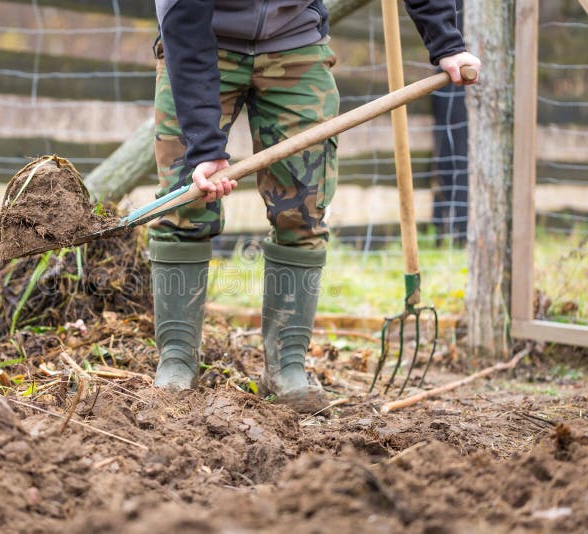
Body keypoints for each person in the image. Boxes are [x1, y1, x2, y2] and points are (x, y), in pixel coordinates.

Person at [148, 0, 481, 409]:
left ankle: (286, 366)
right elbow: (182, 13)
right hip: (200, 41)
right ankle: (177, 359)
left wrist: (445, 40)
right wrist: (204, 147)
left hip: (295, 45)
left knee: (302, 210)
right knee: (186, 203)